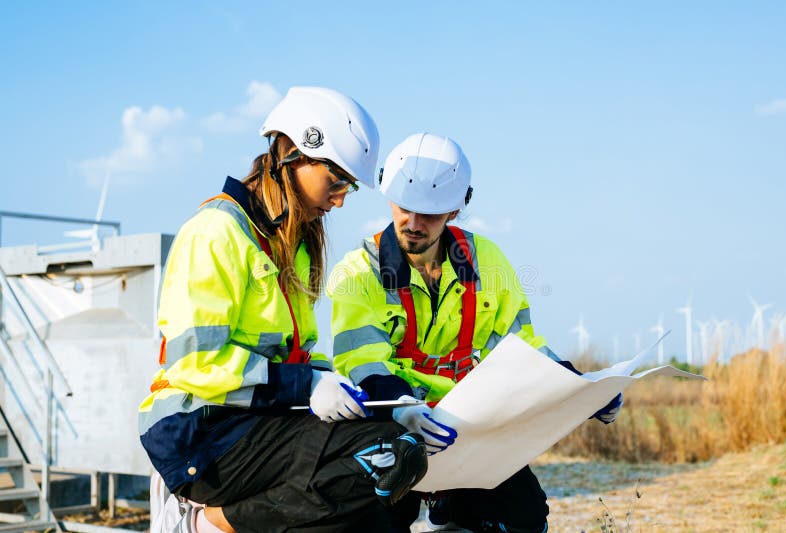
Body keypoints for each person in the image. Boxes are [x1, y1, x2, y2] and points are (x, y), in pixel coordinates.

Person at [138, 87, 428, 533]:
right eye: (336, 182)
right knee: (383, 455)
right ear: (292, 152)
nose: (340, 199)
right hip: (201, 431)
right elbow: (199, 362)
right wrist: (307, 384)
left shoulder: (293, 248)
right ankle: (207, 526)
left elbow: (300, 352)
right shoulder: (215, 233)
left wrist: (381, 403)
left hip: (258, 418)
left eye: (348, 187)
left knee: (391, 496)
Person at [327, 133, 623, 533]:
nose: (412, 225)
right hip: (394, 425)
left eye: (429, 214)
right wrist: (403, 409)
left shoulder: (488, 261)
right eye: (404, 207)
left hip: (468, 432)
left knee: (526, 518)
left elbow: (524, 347)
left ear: (455, 209)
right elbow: (361, 362)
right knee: (372, 522)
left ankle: (451, 513)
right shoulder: (358, 271)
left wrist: (582, 389)